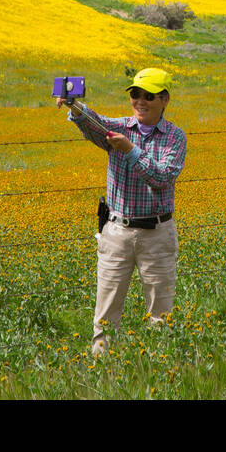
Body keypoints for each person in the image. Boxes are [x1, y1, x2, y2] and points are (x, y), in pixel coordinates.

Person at [58, 67, 186, 357]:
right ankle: (102, 368)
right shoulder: (119, 128)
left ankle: (158, 365)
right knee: (106, 312)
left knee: (160, 313)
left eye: (148, 96)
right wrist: (74, 107)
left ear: (164, 100)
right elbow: (94, 124)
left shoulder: (175, 138)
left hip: (157, 234)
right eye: (135, 94)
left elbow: (162, 177)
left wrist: (130, 150)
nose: (140, 101)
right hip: (117, 232)